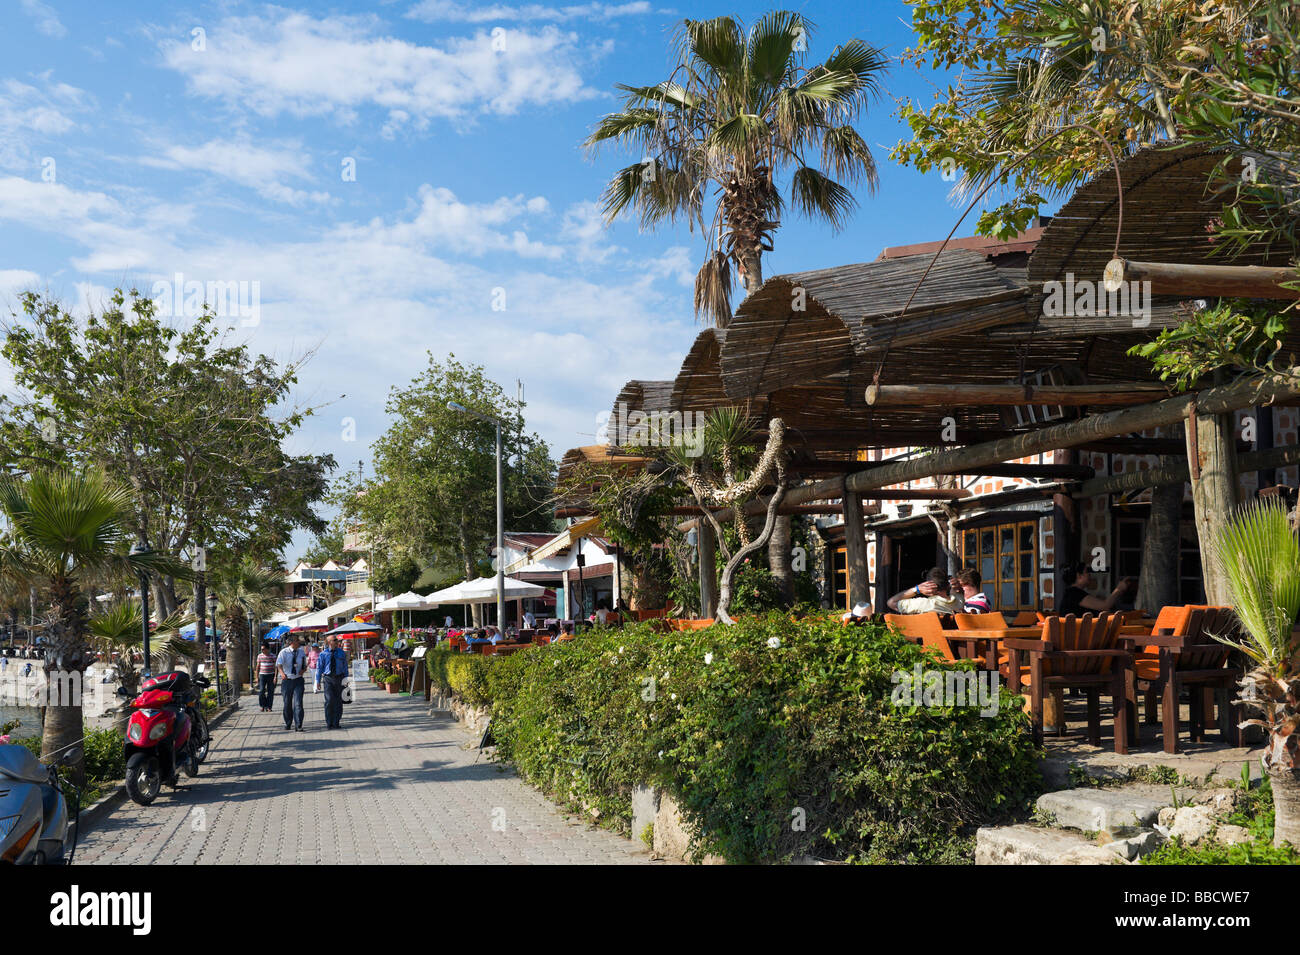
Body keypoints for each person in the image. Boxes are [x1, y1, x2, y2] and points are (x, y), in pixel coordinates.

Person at [1058, 563, 1136, 616]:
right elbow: (1105, 606)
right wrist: (1119, 589)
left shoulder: (1072, 593)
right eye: (1086, 572)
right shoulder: (1074, 594)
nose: (1089, 575)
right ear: (1079, 576)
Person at [886, 567, 965, 614]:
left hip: (927, 641)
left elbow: (891, 602)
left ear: (928, 587)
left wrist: (916, 589)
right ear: (947, 585)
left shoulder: (923, 604)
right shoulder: (960, 600)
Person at [276, 635, 308, 731]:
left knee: (298, 703)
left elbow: (304, 665)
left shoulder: (301, 652)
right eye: (297, 640)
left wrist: (303, 670)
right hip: (287, 680)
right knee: (287, 703)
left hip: (298, 680)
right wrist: (281, 673)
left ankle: (298, 725)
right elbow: (279, 664)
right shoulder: (284, 652)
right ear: (291, 643)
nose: (299, 642)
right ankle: (288, 723)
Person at [317, 634, 349, 730]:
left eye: (337, 640)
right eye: (334, 640)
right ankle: (329, 722)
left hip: (339, 678)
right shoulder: (323, 654)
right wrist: (317, 681)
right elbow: (319, 668)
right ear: (329, 642)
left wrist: (346, 679)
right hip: (328, 679)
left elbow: (345, 666)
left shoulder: (341, 653)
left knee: (339, 701)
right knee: (329, 700)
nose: (337, 641)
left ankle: (336, 722)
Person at [256, 642, 277, 711]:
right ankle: (262, 705)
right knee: (261, 691)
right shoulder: (260, 656)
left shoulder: (273, 656)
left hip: (271, 675)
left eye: (264, 649)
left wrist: (275, 677)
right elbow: (258, 666)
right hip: (262, 675)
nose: (262, 650)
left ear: (268, 649)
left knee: (270, 692)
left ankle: (269, 707)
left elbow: (276, 667)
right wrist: (257, 677)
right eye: (261, 649)